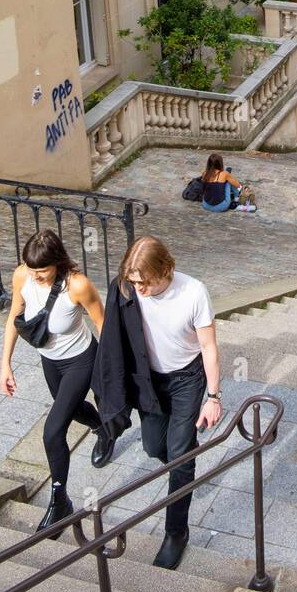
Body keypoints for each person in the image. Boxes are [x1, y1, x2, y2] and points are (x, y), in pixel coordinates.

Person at [98, 236, 223, 571]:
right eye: (134, 283)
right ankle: (185, 468)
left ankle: (175, 533)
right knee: (155, 448)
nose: (139, 290)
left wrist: (213, 396)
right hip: (149, 380)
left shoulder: (194, 292)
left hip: (186, 379)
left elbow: (209, 347)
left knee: (179, 456)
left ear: (164, 269)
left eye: (146, 283)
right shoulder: (126, 289)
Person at [0, 230, 112, 538]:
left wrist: (110, 371)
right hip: (50, 361)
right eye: (32, 270)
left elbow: (103, 323)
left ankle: (60, 499)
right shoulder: (22, 275)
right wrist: (5, 364)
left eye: (43, 271)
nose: (36, 276)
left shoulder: (77, 285)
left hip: (81, 360)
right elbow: (14, 315)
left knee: (53, 431)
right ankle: (102, 427)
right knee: (73, 410)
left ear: (58, 262)